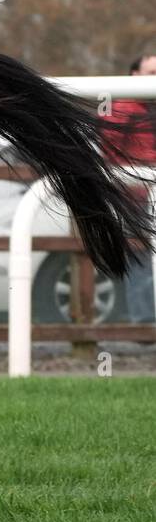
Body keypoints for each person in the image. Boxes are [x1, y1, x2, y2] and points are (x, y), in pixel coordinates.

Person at [101, 53, 156, 324]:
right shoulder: (124, 108)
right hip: (136, 195)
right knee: (141, 256)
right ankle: (144, 321)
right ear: (134, 75)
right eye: (152, 73)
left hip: (147, 193)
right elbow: (109, 149)